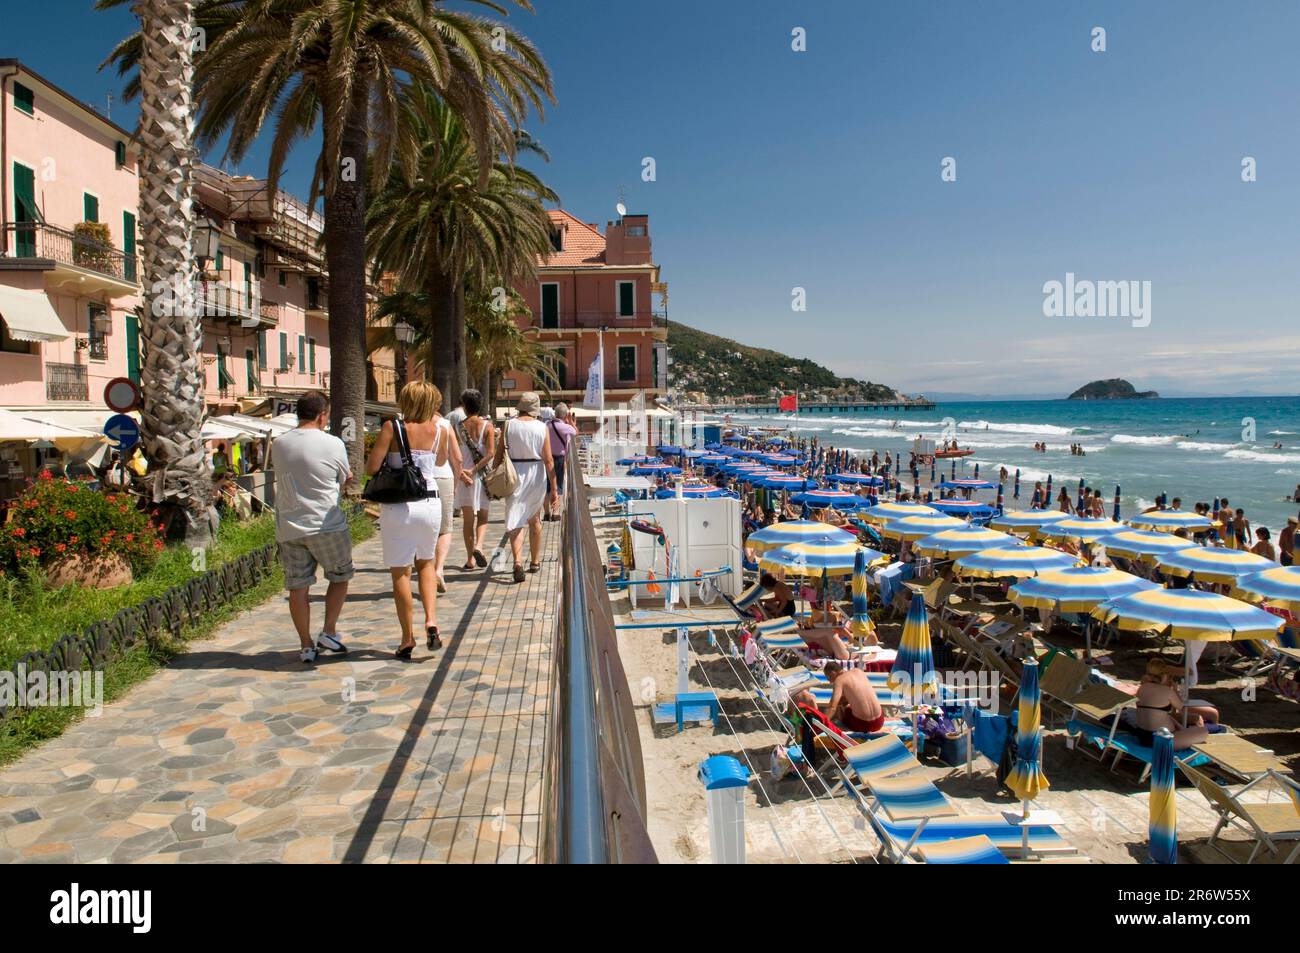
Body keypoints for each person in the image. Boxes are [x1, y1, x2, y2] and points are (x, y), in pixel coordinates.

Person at [268, 391, 354, 664]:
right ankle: (328, 630)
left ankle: (305, 645)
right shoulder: (333, 443)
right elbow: (346, 477)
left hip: (290, 526)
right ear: (322, 415)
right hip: (326, 524)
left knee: (298, 587)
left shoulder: (279, 443)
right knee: (340, 575)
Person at [365, 381, 449, 658]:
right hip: (430, 501)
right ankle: (432, 620)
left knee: (400, 571)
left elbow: (372, 467)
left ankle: (407, 637)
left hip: (400, 506)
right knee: (426, 563)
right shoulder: (440, 430)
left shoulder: (392, 428)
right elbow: (439, 463)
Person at [491, 392, 557, 583]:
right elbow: (549, 459)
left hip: (514, 472)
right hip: (536, 472)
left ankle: (517, 561)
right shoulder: (541, 427)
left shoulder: (508, 425)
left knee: (516, 517)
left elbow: (499, 454)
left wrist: (494, 475)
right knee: (534, 518)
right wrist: (554, 488)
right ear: (535, 409)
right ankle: (535, 562)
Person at [423, 384, 464, 593]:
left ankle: (427, 569)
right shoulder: (445, 425)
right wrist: (458, 481)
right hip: (443, 477)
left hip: (419, 481)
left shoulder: (408, 423)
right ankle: (439, 569)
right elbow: (456, 457)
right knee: (444, 528)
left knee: (423, 528)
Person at [452, 389, 495, 571]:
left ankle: (470, 559)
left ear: (464, 406)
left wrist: (463, 472)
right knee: (483, 516)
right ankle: (479, 546)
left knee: (468, 520)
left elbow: (454, 455)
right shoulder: (487, 426)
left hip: (464, 479)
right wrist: (474, 469)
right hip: (481, 477)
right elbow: (491, 452)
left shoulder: (457, 427)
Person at [1135, 659, 1217, 749]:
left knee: (1168, 717)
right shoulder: (1167, 691)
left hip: (1142, 736)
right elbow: (1182, 707)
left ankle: (1183, 730)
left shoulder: (1141, 689)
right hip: (1163, 740)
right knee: (1203, 731)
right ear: (1164, 676)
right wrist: (1175, 690)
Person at [822, 662, 885, 733]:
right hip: (879, 721)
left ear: (833, 673)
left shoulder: (839, 680)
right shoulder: (859, 671)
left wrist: (821, 725)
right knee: (844, 702)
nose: (830, 682)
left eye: (828, 678)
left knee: (841, 706)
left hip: (862, 724)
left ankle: (840, 725)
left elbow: (832, 707)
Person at [545, 403, 577, 521]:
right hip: (559, 459)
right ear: (565, 415)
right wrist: (570, 421)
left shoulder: (547, 424)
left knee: (547, 485)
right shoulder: (566, 427)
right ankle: (556, 512)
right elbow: (575, 432)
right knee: (557, 485)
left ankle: (546, 513)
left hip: (546, 457)